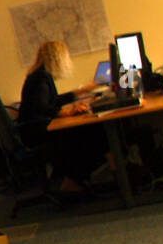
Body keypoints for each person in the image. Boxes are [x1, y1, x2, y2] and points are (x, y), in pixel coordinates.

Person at [17, 40, 106, 192]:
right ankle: (72, 180)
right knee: (90, 133)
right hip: (38, 133)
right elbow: (41, 107)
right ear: (58, 59)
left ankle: (74, 179)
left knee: (88, 131)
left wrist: (80, 92)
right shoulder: (41, 79)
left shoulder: (40, 75)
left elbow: (52, 101)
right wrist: (66, 112)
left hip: (33, 130)